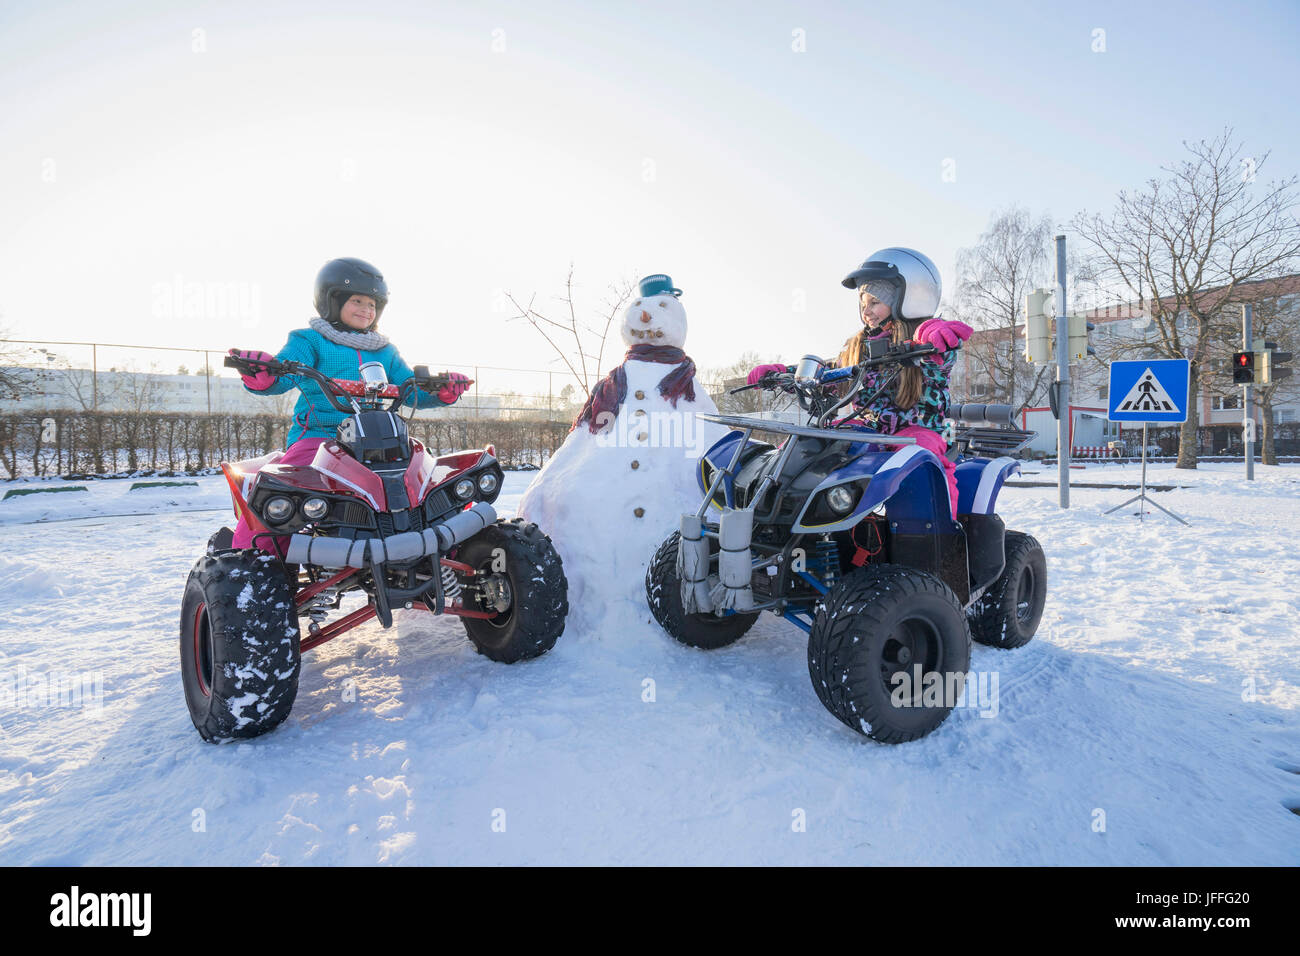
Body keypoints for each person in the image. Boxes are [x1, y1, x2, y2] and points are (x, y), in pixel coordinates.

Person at [229, 256, 471, 553]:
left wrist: (443, 392)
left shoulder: (386, 350)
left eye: (372, 304)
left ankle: (454, 554)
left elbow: (410, 390)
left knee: (430, 486)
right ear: (332, 301)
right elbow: (286, 373)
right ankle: (251, 564)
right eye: (357, 301)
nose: (366, 310)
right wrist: (265, 375)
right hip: (318, 439)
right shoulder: (310, 340)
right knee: (275, 499)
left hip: (380, 442)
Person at [748, 247, 971, 518]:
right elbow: (831, 373)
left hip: (916, 431)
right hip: (867, 429)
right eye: (863, 302)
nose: (867, 311)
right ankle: (777, 507)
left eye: (875, 301)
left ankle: (936, 534)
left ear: (909, 299)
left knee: (917, 455)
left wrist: (932, 336)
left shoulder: (925, 343)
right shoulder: (857, 346)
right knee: (817, 440)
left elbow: (941, 362)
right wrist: (786, 373)